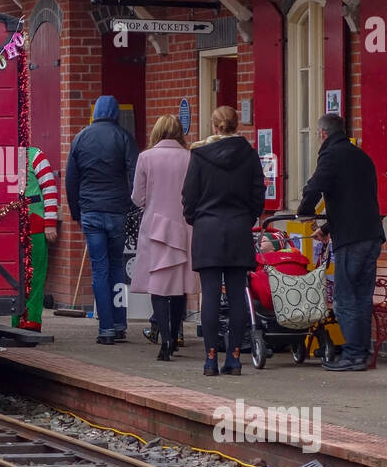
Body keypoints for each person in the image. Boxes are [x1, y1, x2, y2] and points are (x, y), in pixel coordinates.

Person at [297, 113, 386, 371]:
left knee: (345, 299)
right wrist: (327, 227)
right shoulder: (361, 156)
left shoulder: (331, 155)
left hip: (352, 238)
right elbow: (355, 201)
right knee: (362, 297)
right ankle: (361, 352)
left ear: (323, 134)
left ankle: (353, 355)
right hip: (371, 234)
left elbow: (315, 186)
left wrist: (305, 211)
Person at [182, 105, 264, 376]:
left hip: (207, 229)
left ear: (214, 127)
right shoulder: (250, 156)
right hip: (239, 227)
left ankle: (209, 359)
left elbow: (189, 196)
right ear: (236, 125)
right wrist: (247, 218)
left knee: (211, 295)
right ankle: (234, 358)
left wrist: (197, 218)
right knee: (238, 294)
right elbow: (257, 196)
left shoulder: (200, 156)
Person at [65, 94, 139, 345]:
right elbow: (134, 173)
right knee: (118, 267)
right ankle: (120, 322)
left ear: (95, 112)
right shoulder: (124, 137)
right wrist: (131, 205)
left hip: (91, 211)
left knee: (99, 268)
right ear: (116, 113)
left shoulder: (80, 138)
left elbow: (71, 180)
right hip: (117, 211)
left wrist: (76, 212)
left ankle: (105, 327)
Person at [129, 116, 197, 362]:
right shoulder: (190, 157)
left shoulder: (145, 157)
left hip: (155, 225)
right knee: (179, 286)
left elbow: (138, 197)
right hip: (183, 224)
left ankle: (165, 337)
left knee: (157, 286)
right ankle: (176, 336)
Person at [12, 146, 59, 332]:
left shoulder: (36, 156)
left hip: (36, 225)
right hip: (13, 228)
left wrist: (49, 223)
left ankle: (31, 321)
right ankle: (17, 322)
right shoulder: (3, 155)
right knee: (17, 278)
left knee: (35, 275)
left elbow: (50, 190)